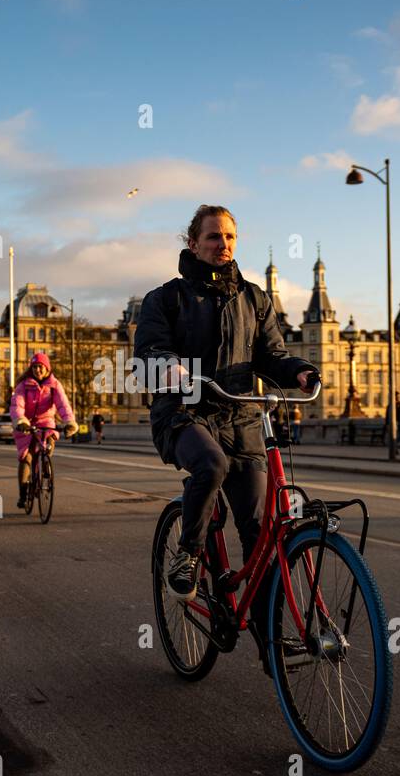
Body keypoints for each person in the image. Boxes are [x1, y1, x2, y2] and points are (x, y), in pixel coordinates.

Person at [134, 204, 316, 604]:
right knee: (211, 464)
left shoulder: (255, 298)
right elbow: (148, 350)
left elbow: (272, 355)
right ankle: (189, 554)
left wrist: (299, 371)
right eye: (214, 236)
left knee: (259, 530)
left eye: (230, 236)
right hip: (184, 413)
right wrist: (169, 367)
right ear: (193, 243)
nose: (224, 244)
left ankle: (272, 639)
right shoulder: (165, 299)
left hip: (242, 417)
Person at [9, 353, 77, 508]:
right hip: (26, 424)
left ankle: (45, 471)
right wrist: (20, 421)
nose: (37, 370)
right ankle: (23, 493)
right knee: (26, 458)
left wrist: (69, 422)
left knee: (47, 446)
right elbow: (16, 405)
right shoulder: (23, 385)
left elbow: (63, 405)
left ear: (47, 368)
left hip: (46, 422)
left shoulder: (54, 385)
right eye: (34, 367)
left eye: (40, 367)